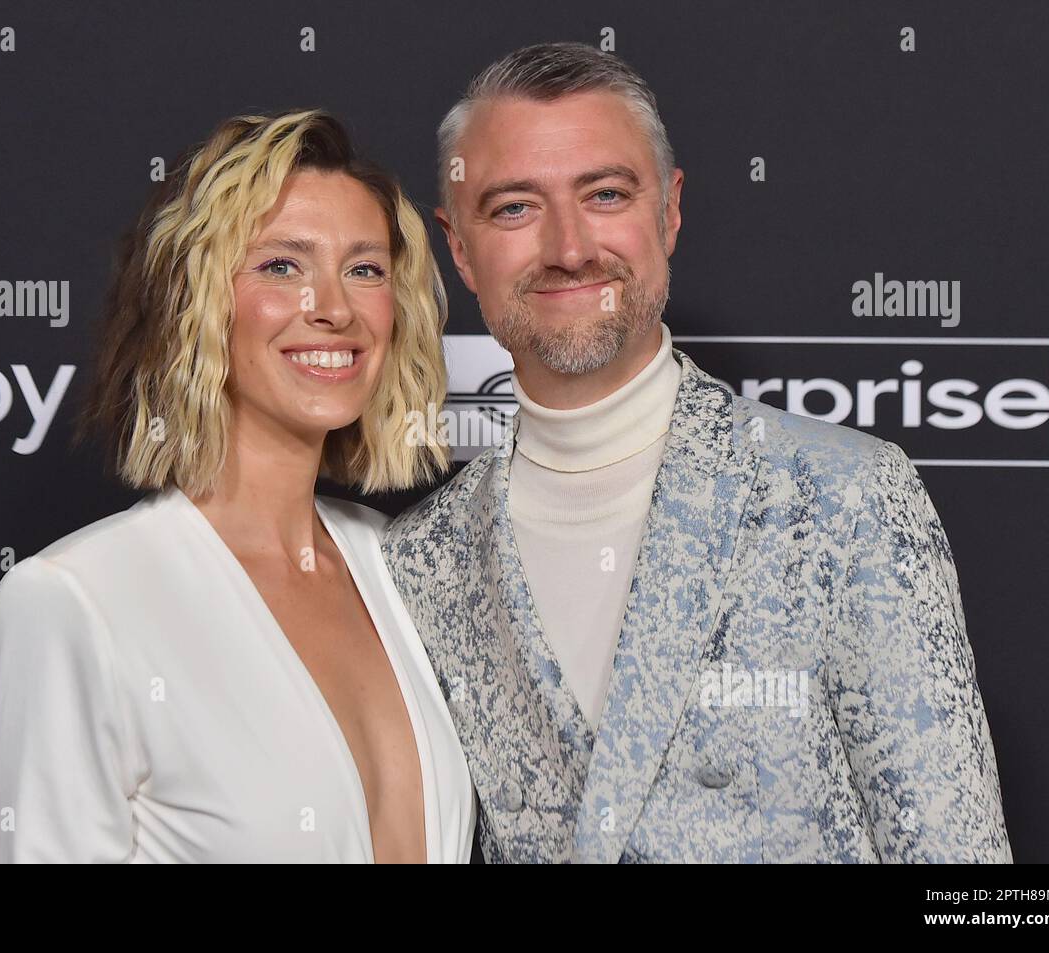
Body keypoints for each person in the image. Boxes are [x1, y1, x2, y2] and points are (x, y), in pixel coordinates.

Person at [380, 42, 1012, 863]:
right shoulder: (422, 560)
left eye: (606, 194)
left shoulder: (843, 498)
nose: (570, 247)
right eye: (513, 209)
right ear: (458, 247)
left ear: (669, 212)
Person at [0, 109, 475, 862]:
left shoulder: (403, 567)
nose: (334, 307)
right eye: (282, 265)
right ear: (194, 302)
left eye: (365, 268)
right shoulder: (73, 601)